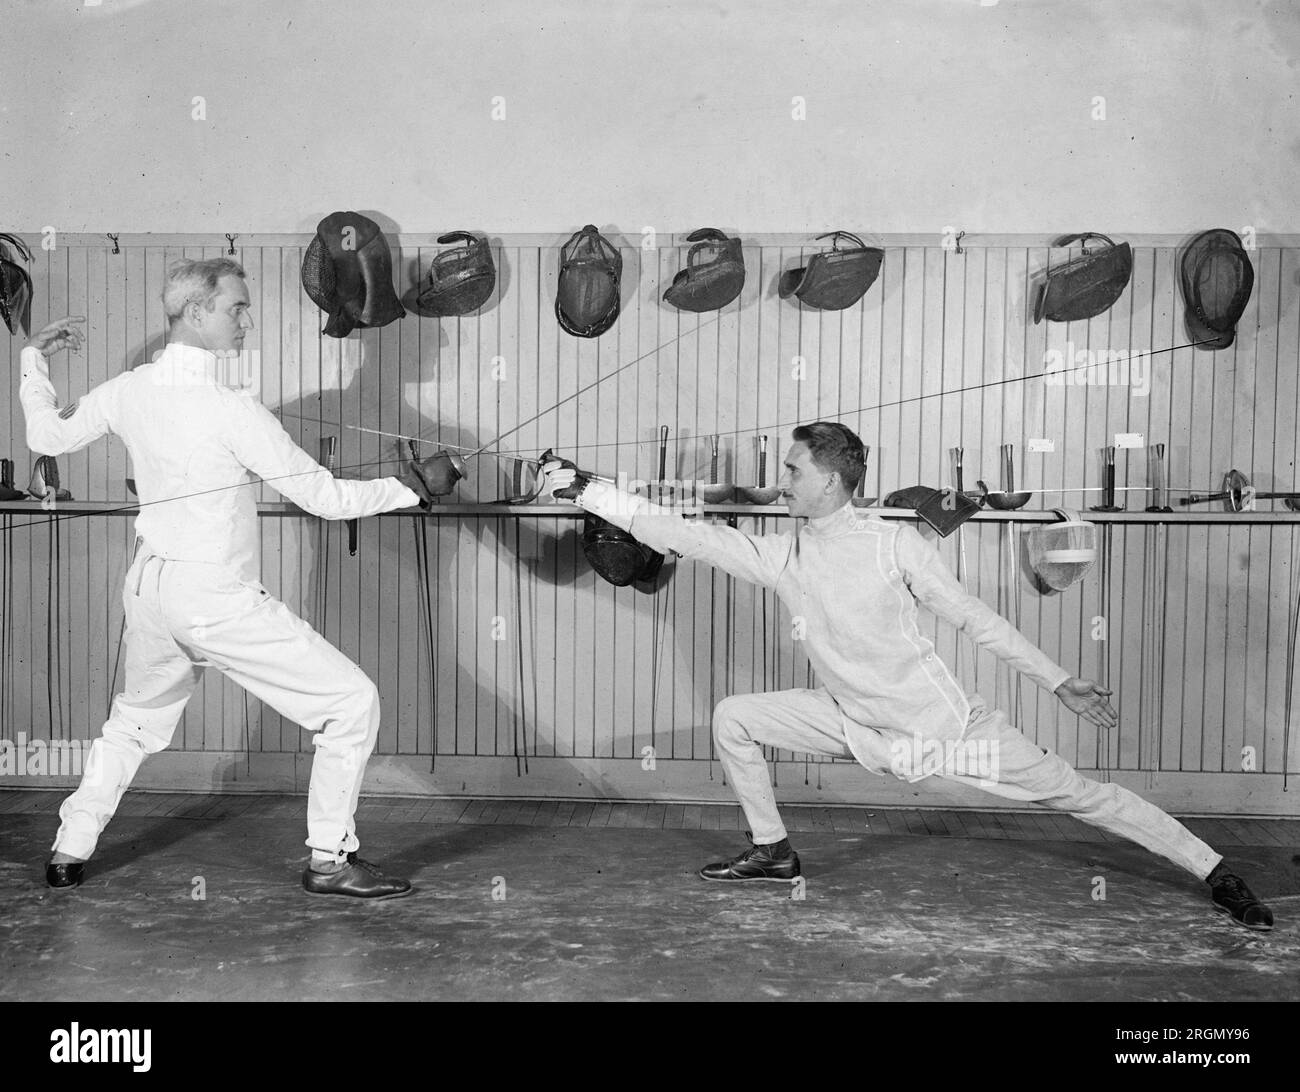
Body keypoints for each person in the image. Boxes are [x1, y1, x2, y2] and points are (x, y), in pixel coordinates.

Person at [540, 421, 1274, 930]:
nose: (782, 481)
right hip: (854, 723)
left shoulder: (896, 548)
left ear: (830, 480)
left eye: (792, 470)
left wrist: (1059, 681)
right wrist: (587, 489)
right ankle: (774, 851)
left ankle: (1215, 872)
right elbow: (683, 535)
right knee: (735, 716)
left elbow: (976, 620)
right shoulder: (784, 554)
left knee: (1082, 796)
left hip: (947, 736)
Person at [21, 258, 458, 899]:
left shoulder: (126, 390)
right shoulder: (231, 408)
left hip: (148, 589)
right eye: (237, 307)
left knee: (135, 722)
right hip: (211, 597)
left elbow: (46, 436)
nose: (247, 320)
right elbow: (325, 499)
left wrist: (33, 360)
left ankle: (69, 850)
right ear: (196, 312)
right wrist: (412, 490)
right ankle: (330, 861)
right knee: (350, 704)